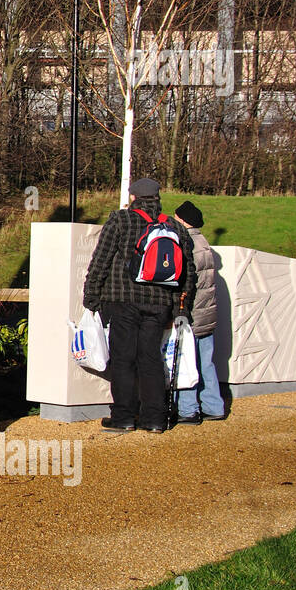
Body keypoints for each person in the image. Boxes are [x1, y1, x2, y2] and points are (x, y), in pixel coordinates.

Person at [82, 178, 197, 433]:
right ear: (158, 198)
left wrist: (91, 294)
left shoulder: (120, 220)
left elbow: (101, 259)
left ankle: (123, 416)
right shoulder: (175, 227)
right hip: (159, 303)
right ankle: (154, 419)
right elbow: (189, 272)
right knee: (151, 358)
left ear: (133, 197)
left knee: (123, 359)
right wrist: (182, 307)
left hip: (123, 299)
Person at [172, 200, 225, 422]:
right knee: (206, 361)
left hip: (192, 313)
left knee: (187, 362)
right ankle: (214, 406)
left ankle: (188, 409)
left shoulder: (187, 243)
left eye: (175, 218)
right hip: (207, 313)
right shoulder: (203, 243)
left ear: (183, 220)